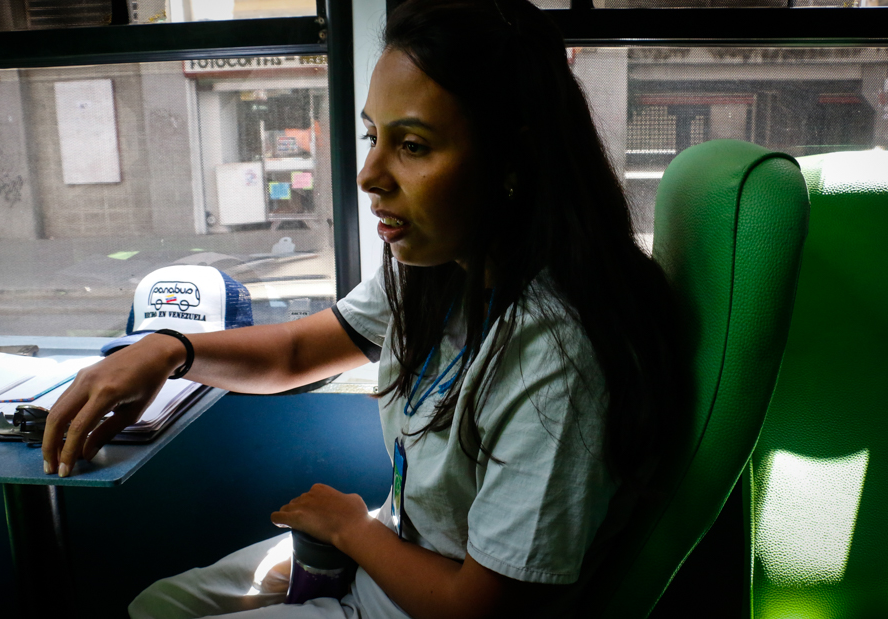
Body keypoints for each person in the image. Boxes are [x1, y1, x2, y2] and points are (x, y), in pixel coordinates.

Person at [42, 0, 682, 617]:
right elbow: (295, 353)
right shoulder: (439, 268)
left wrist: (351, 528)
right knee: (156, 606)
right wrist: (167, 351)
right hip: (388, 556)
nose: (368, 174)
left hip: (414, 597)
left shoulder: (558, 357)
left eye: (413, 145)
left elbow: (475, 607)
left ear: (515, 160)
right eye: (374, 135)